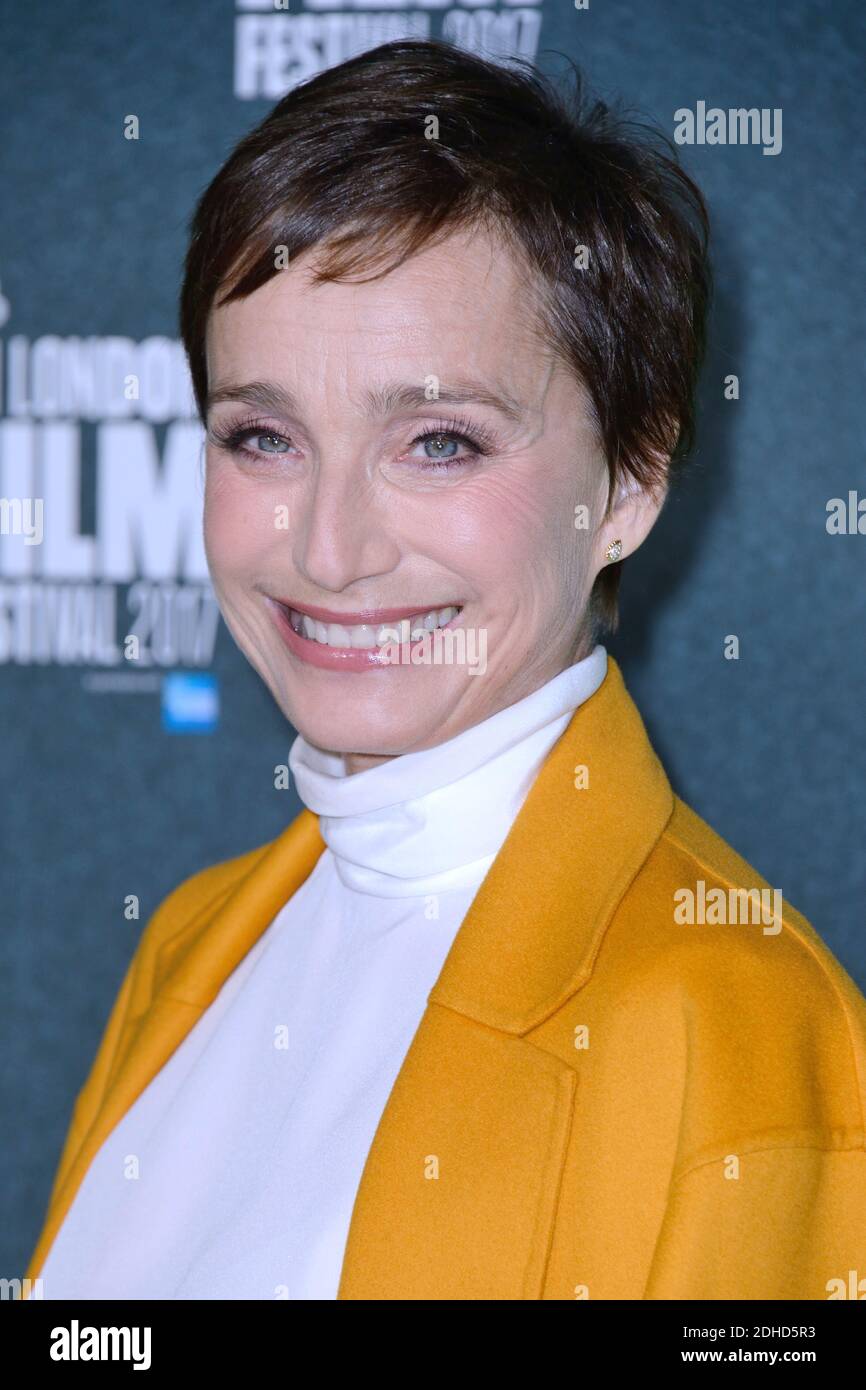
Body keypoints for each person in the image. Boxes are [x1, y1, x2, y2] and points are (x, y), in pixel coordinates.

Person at [24, 38, 866, 1301]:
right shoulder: (191, 947)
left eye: (437, 442)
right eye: (262, 436)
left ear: (629, 483)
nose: (327, 549)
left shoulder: (743, 1034)